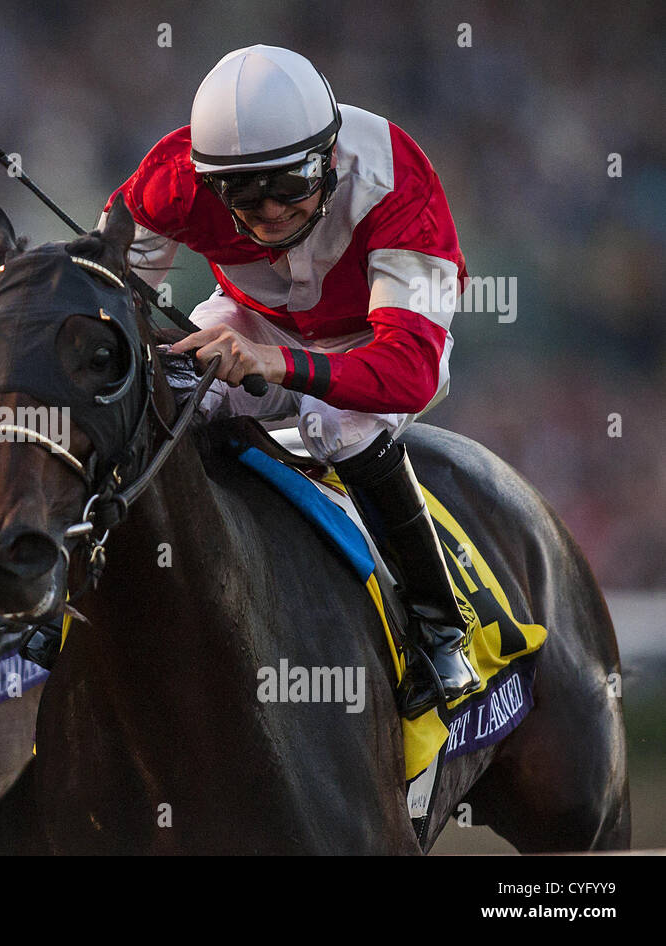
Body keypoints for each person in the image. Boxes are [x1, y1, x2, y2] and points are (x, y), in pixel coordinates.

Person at [103, 45, 480, 719]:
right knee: (166, 395)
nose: (270, 209)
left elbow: (411, 374)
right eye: (242, 192)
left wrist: (280, 365)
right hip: (254, 320)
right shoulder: (174, 180)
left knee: (336, 424)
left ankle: (439, 626)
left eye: (291, 180)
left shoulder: (398, 180)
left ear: (329, 155)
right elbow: (105, 296)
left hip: (380, 337)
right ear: (209, 179)